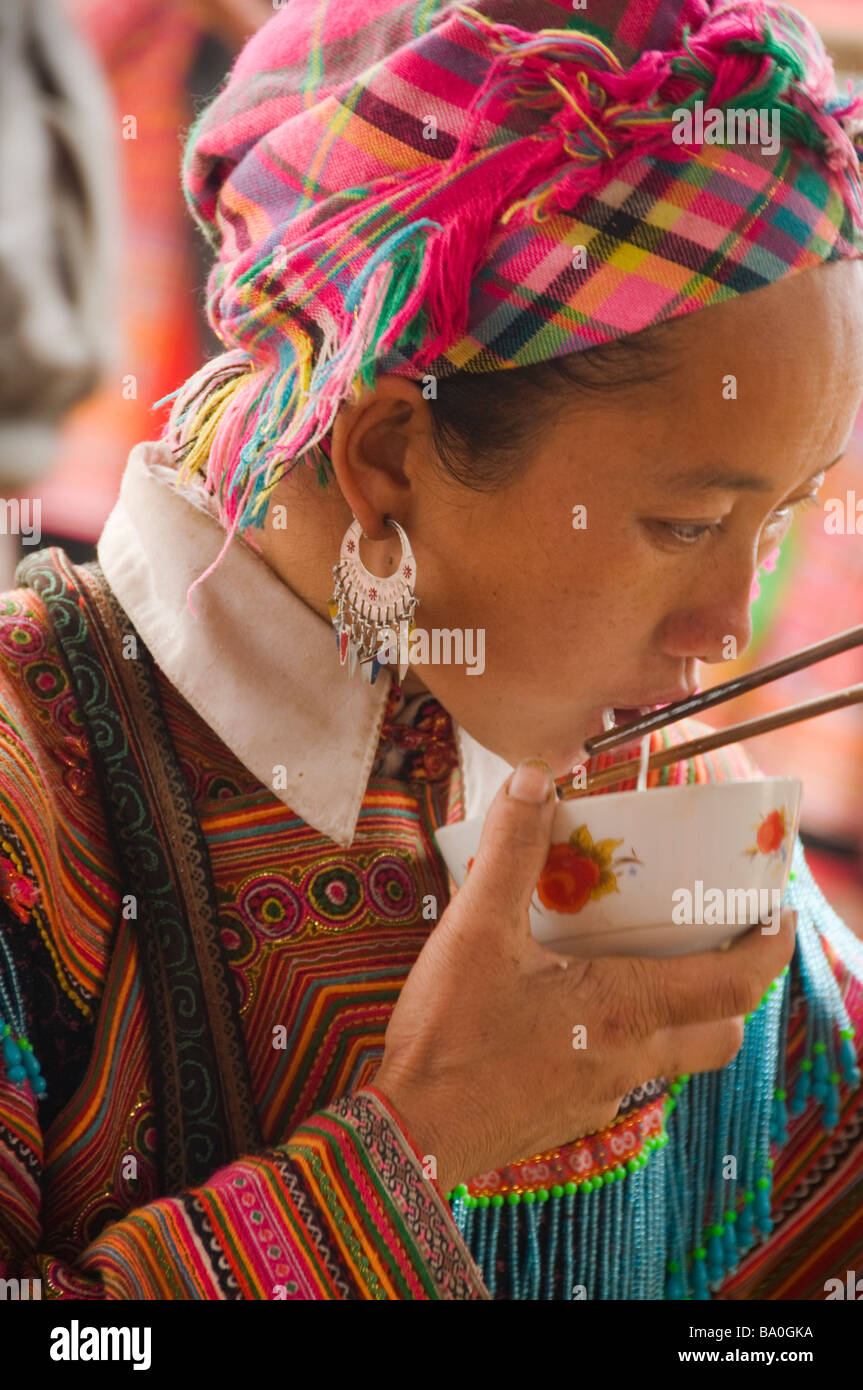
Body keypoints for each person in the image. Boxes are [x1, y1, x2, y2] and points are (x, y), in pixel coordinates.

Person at [0, 0, 862, 1301]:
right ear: (391, 453)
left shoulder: (641, 786)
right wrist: (418, 1135)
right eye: (686, 522)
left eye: (780, 518)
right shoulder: (31, 803)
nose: (729, 628)